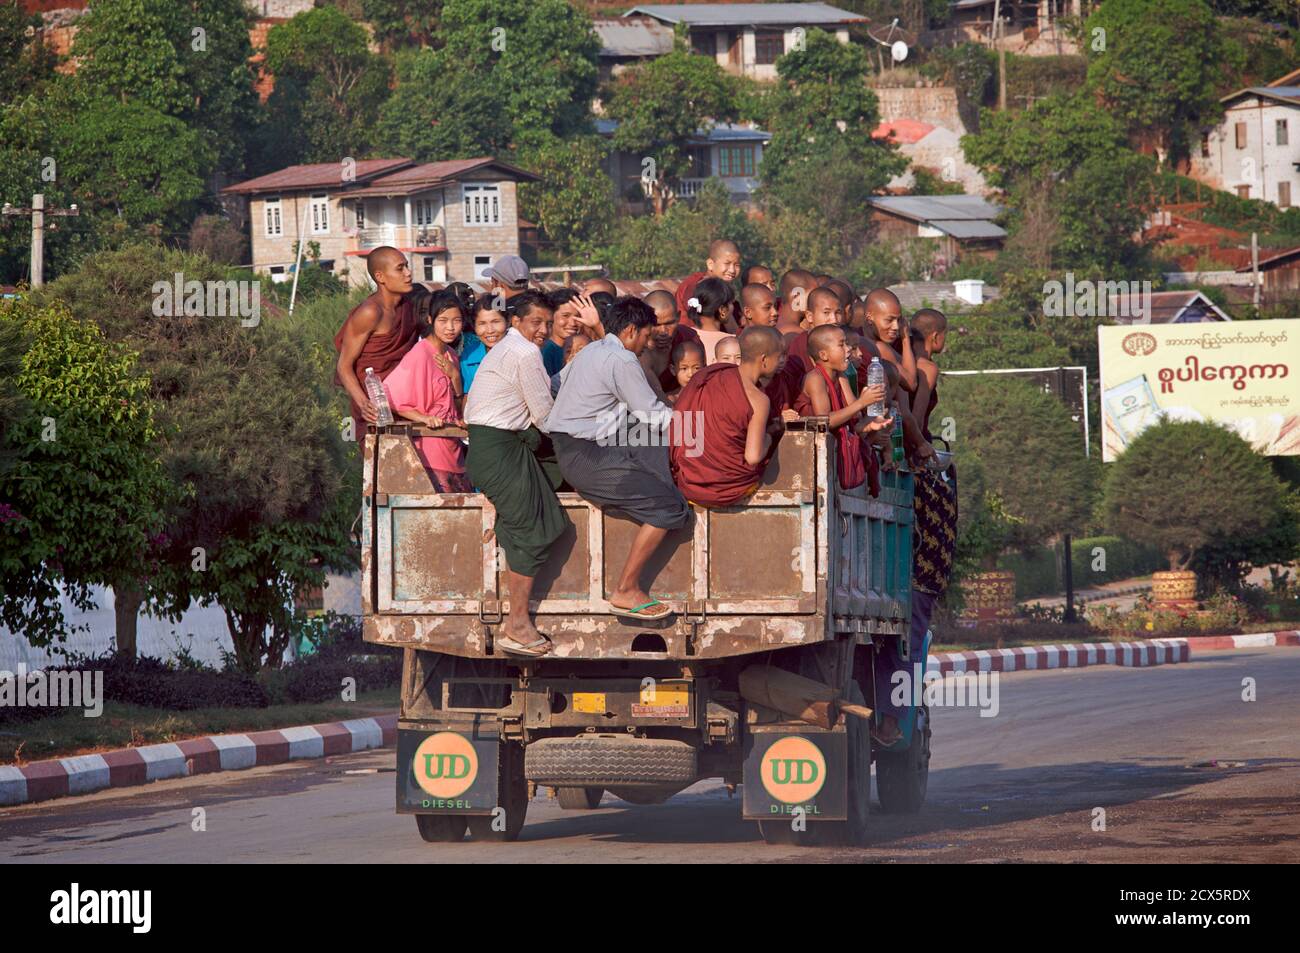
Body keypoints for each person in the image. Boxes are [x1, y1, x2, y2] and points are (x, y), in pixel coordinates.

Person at [546, 297, 690, 622]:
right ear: (629, 331)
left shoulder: (593, 351)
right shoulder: (622, 359)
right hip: (587, 455)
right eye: (645, 335)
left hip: (573, 448)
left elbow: (555, 385)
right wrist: (700, 424)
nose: (647, 343)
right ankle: (627, 589)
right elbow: (652, 414)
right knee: (669, 508)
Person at [463, 295, 570, 657]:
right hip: (498, 449)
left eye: (547, 322)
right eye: (535, 322)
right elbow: (545, 415)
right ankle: (517, 624)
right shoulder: (523, 353)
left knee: (552, 497)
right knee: (535, 528)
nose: (542, 330)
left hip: (508, 444)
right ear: (516, 322)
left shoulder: (514, 347)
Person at [874, 306, 953, 746]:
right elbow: (915, 417)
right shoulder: (924, 366)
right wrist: (923, 452)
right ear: (936, 337)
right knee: (920, 594)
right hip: (910, 473)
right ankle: (893, 716)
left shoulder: (872, 357)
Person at [670, 326, 793, 507]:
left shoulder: (706, 376)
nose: (782, 361)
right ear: (764, 360)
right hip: (727, 488)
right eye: (779, 357)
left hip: (688, 481)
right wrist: (769, 434)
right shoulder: (759, 399)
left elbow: (682, 423)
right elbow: (753, 456)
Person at [382, 291, 472, 492]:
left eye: (456, 320)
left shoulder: (451, 355)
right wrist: (423, 417)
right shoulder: (420, 353)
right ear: (430, 319)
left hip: (453, 445)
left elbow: (456, 405)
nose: (450, 327)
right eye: (443, 320)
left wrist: (455, 377)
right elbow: (390, 397)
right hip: (429, 448)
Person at [333, 246, 419, 437]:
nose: (408, 273)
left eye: (407, 266)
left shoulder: (408, 306)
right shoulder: (370, 312)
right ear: (380, 277)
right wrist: (364, 404)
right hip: (375, 406)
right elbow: (344, 365)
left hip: (404, 401)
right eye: (400, 269)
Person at [795, 325, 892, 491]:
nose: (848, 350)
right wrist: (862, 402)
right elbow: (824, 421)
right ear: (823, 355)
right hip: (810, 460)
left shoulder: (841, 377)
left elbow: (854, 422)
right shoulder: (815, 378)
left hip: (833, 458)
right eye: (842, 345)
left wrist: (872, 423)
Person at [674, 239, 741, 326]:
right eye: (727, 263)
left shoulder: (725, 291)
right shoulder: (697, 287)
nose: (732, 270)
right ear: (710, 264)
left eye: (737, 265)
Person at [460, 294, 508, 395]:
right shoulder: (468, 357)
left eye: (495, 322)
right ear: (474, 326)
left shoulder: (520, 354)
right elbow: (467, 397)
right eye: (482, 323)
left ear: (507, 322)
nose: (490, 330)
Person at [685, 276, 735, 363]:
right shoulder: (732, 343)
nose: (732, 307)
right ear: (722, 310)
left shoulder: (683, 337)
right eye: (731, 303)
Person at [551, 331, 593, 397]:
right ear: (563, 359)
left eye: (580, 350)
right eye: (569, 351)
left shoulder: (596, 378)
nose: (574, 355)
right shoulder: (557, 381)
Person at [665, 339, 705, 404]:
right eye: (684, 368)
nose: (690, 374)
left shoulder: (709, 396)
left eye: (696, 368)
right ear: (673, 370)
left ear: (705, 368)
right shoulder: (670, 399)